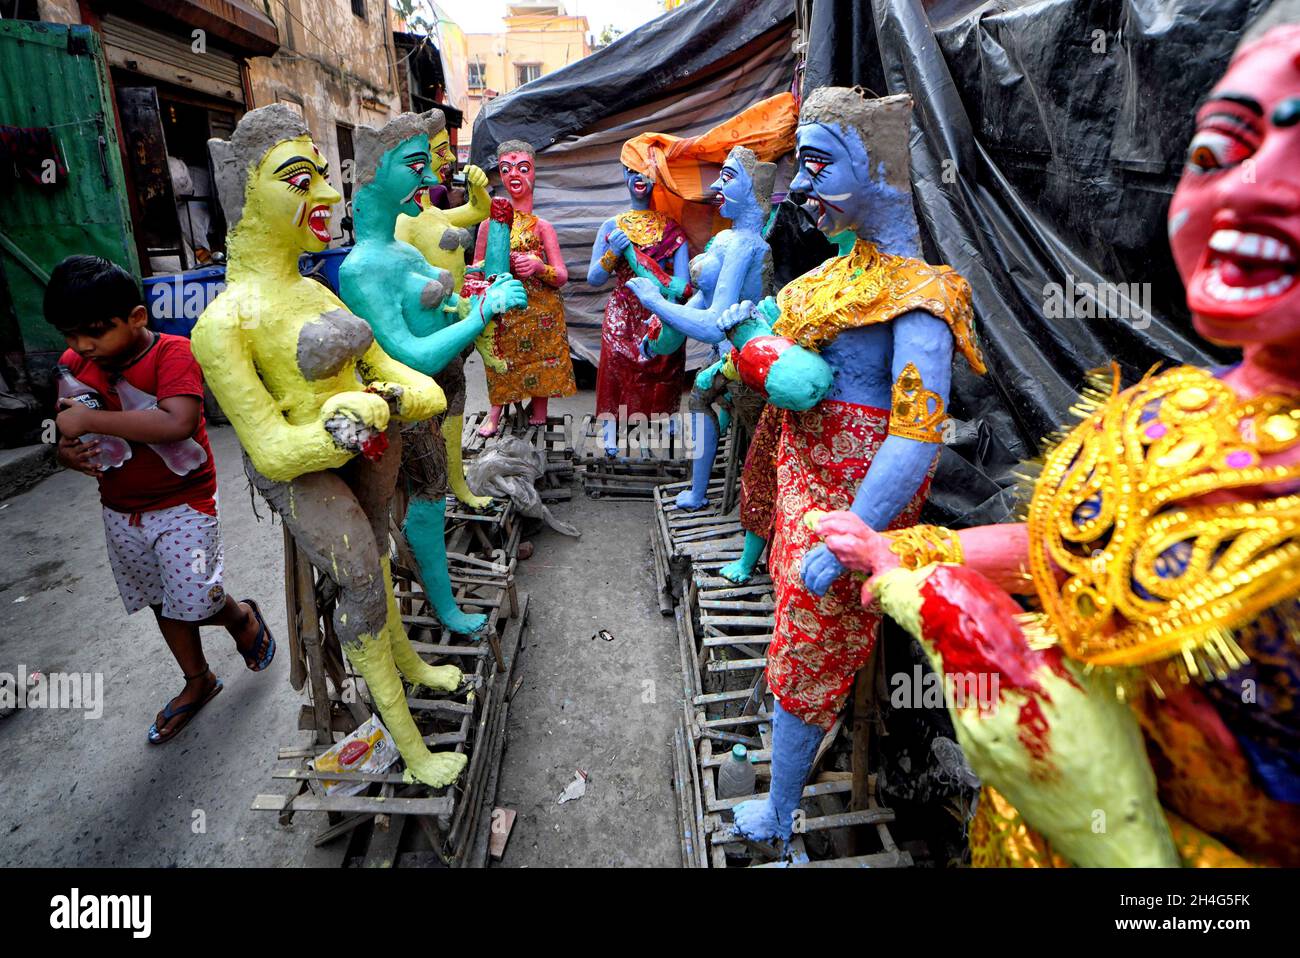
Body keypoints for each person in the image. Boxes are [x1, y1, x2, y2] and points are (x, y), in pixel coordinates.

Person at [45, 254, 274, 745]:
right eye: (69, 334)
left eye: (95, 331)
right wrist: (67, 453)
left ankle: (240, 616)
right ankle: (198, 680)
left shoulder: (173, 353)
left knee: (194, 595)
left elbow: (178, 422)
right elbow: (61, 429)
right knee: (159, 600)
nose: (82, 345)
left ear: (136, 318)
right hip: (120, 508)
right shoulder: (74, 364)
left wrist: (90, 423)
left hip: (184, 502)